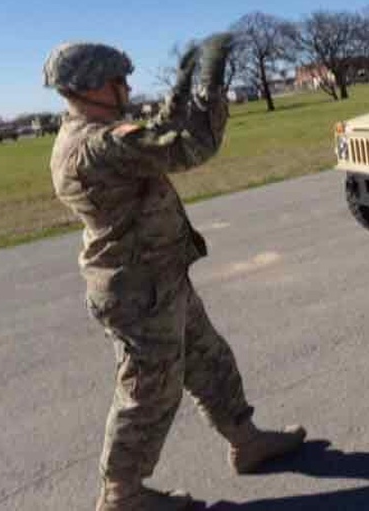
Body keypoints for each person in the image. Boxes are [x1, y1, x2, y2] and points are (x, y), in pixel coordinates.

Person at [43, 36, 306, 511]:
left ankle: (246, 440)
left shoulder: (98, 133)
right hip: (138, 291)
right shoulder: (98, 145)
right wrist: (210, 85)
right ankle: (121, 494)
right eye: (117, 80)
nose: (127, 87)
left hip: (159, 278)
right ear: (89, 85)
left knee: (209, 360)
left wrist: (181, 89)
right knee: (148, 392)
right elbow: (189, 146)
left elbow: (157, 130)